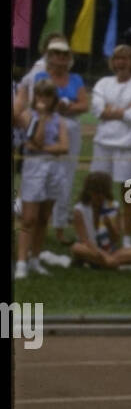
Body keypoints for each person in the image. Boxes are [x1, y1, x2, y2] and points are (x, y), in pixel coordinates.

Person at [14, 36, 89, 245]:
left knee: (130, 184)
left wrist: (68, 108)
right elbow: (33, 103)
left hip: (129, 151)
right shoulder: (39, 76)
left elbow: (86, 105)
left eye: (64, 54)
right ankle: (27, 217)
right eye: (56, 54)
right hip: (56, 132)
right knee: (38, 177)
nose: (60, 58)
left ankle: (127, 224)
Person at [89, 45, 131, 247]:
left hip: (128, 149)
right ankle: (97, 234)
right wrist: (124, 111)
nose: (121, 63)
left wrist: (114, 111)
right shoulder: (103, 83)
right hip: (103, 145)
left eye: (125, 58)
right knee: (97, 191)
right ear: (113, 62)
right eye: (117, 58)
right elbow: (97, 110)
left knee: (129, 194)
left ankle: (127, 237)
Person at [13, 79, 69, 279]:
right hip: (34, 168)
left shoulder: (60, 120)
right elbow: (34, 139)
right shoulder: (29, 116)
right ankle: (21, 262)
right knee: (29, 218)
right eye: (40, 95)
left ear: (54, 99)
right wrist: (43, 118)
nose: (43, 99)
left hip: (54, 169)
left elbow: (64, 147)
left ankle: (35, 259)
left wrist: (43, 149)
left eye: (48, 96)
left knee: (44, 217)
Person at [70, 171, 131, 272]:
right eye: (96, 193)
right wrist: (104, 256)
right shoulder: (79, 210)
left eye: (103, 193)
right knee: (77, 248)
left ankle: (98, 263)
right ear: (89, 191)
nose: (100, 196)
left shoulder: (114, 206)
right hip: (91, 249)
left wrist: (109, 225)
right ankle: (113, 264)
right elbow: (84, 240)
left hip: (111, 251)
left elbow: (116, 239)